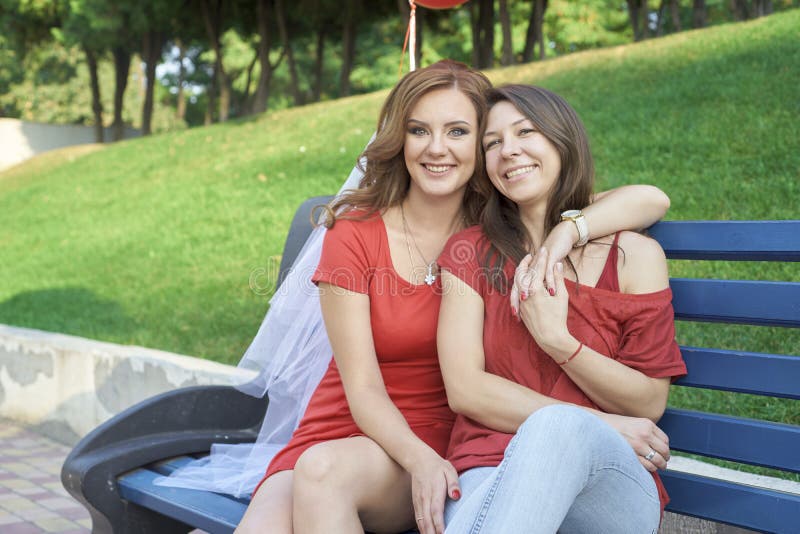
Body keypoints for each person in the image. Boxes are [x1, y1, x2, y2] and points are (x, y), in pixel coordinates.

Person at [235, 63, 671, 534]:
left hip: (459, 435)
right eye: (419, 130)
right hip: (368, 430)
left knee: (322, 475)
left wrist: (568, 230)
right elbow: (363, 388)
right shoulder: (374, 234)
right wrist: (421, 459)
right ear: (399, 140)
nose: (436, 148)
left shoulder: (496, 218)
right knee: (289, 499)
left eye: (459, 131)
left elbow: (648, 199)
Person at [436, 84, 688, 533]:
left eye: (525, 132)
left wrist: (559, 341)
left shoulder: (632, 255)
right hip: (489, 468)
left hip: (610, 481)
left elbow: (649, 401)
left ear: (561, 138)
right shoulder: (469, 253)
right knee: (550, 432)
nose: (508, 151)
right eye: (492, 143)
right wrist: (604, 422)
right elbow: (466, 389)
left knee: (557, 429)